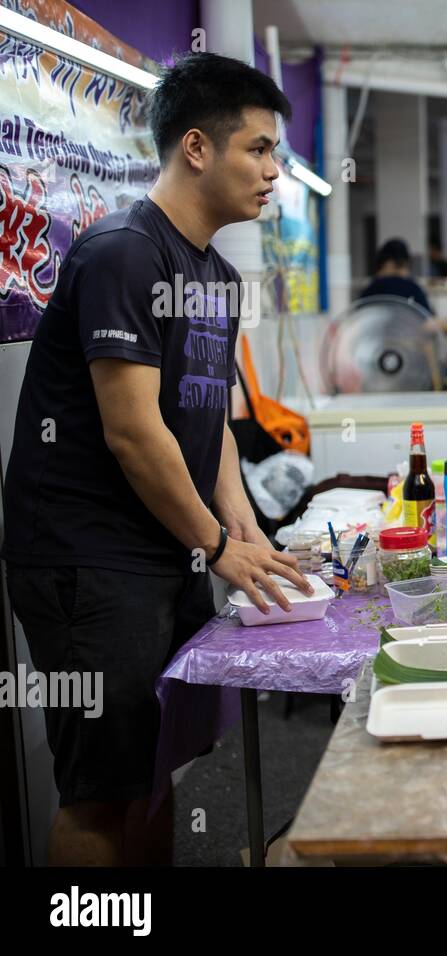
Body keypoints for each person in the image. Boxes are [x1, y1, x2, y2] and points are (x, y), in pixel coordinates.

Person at [0, 53, 313, 865]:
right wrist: (216, 546)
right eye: (260, 150)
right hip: (88, 558)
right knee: (100, 791)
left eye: (276, 154)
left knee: (155, 766)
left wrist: (247, 533)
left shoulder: (213, 272)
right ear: (198, 148)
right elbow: (134, 433)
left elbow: (203, 428)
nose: (274, 172)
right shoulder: (124, 253)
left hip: (159, 550)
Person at [359, 238, 447, 335]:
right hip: (407, 349)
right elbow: (427, 324)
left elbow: (358, 322)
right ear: (403, 264)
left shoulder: (370, 289)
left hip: (373, 349)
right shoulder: (410, 287)